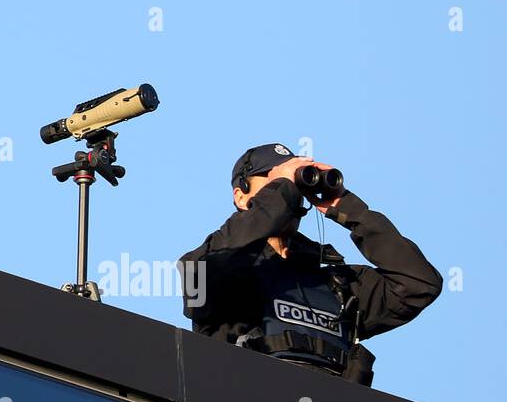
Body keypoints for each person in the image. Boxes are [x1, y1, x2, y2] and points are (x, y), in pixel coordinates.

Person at [177, 143, 442, 386]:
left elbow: (418, 283)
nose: (291, 190)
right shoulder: (221, 268)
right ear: (241, 197)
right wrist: (281, 189)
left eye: (295, 183)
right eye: (272, 178)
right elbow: (197, 273)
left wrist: (349, 208)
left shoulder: (336, 283)